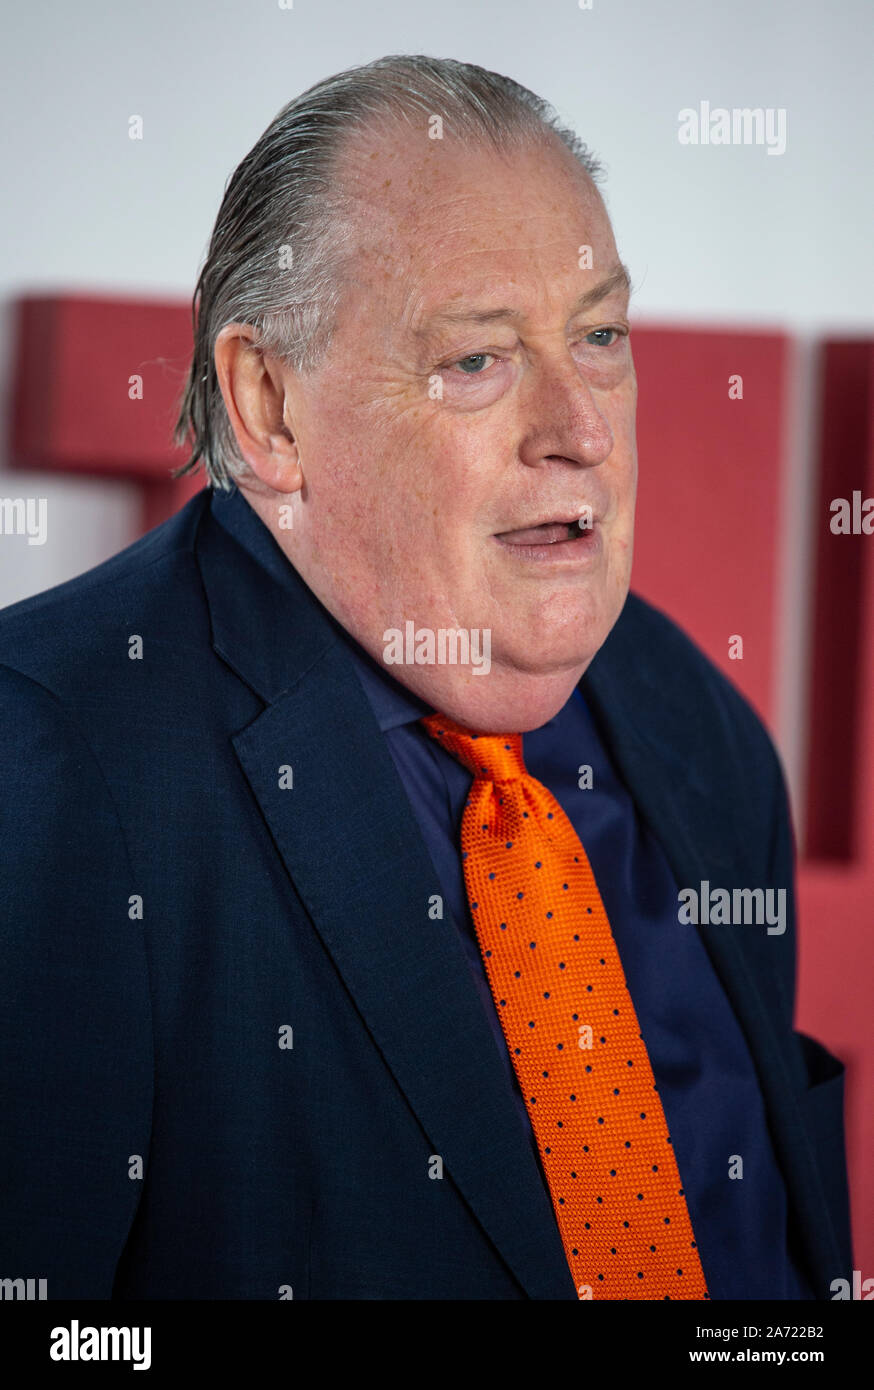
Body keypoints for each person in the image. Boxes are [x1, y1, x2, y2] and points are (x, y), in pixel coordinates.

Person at [0, 54, 852, 1300]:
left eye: (599, 335)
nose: (584, 431)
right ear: (271, 408)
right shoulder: (56, 762)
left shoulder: (691, 716)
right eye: (477, 360)